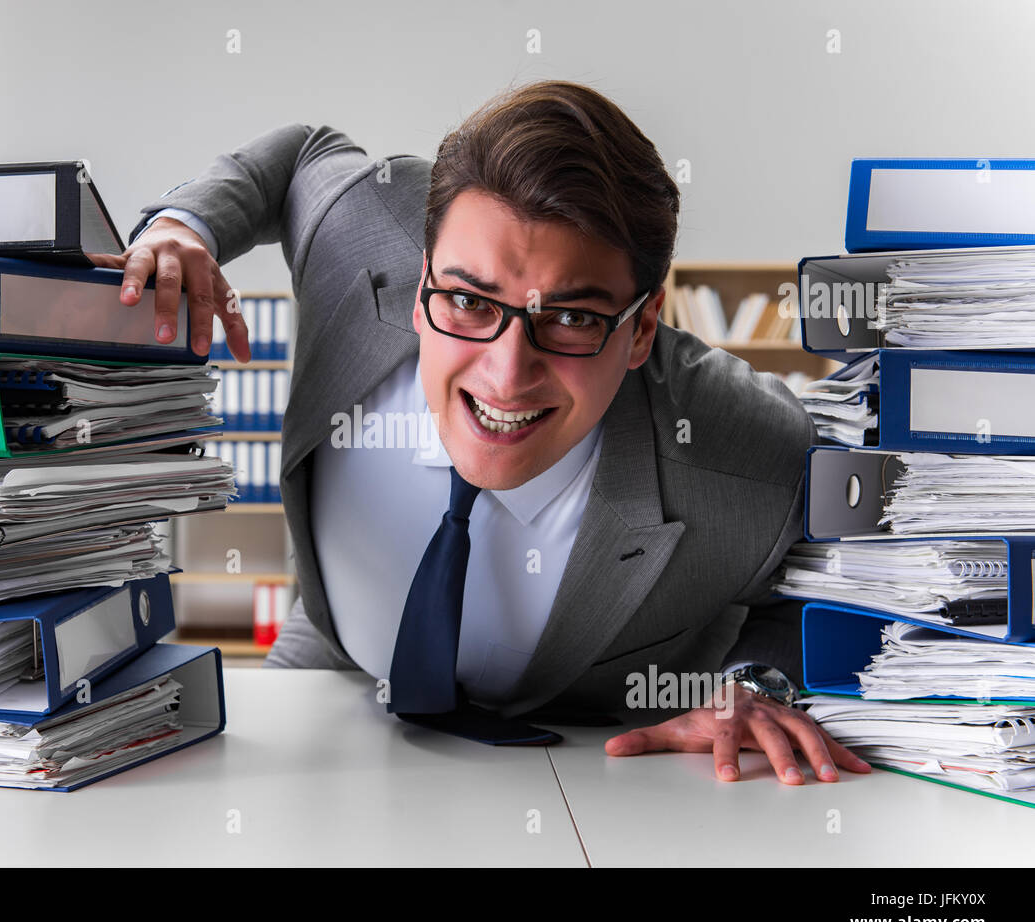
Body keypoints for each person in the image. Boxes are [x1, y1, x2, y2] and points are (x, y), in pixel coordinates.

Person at [92, 80, 870, 783]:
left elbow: (823, 582)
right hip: (338, 665)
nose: (505, 374)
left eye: (569, 318)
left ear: (641, 331)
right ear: (421, 273)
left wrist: (756, 685)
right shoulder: (359, 236)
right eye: (467, 302)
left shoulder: (748, 453)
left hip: (586, 763)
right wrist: (182, 224)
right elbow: (298, 157)